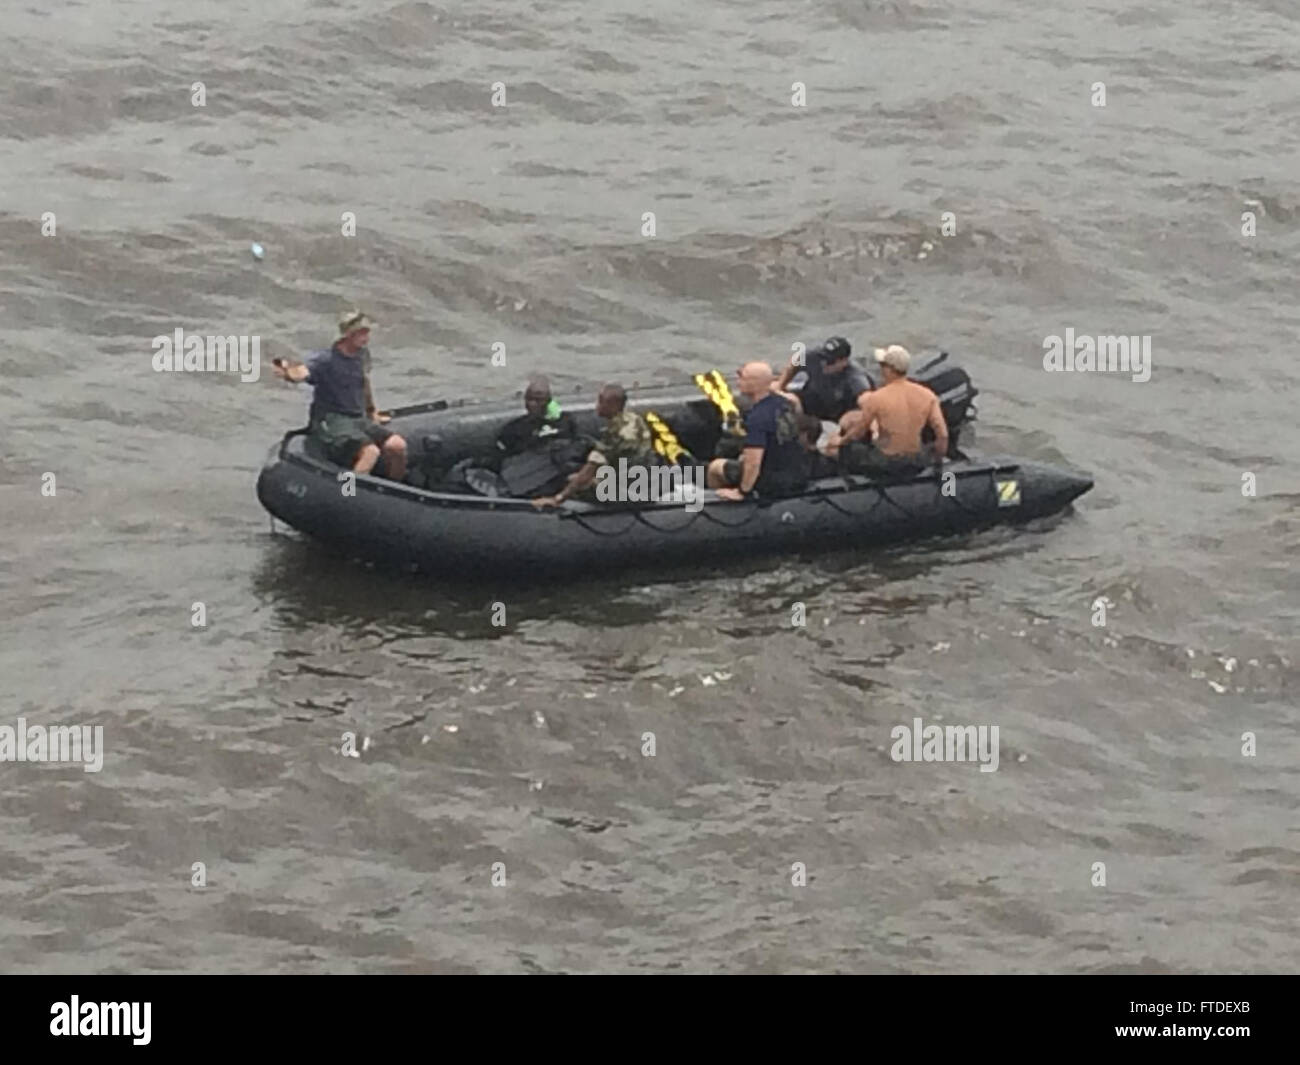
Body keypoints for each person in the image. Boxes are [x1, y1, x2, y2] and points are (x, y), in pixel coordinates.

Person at [271, 311, 407, 481]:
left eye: (366, 332)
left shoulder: (362, 356)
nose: (365, 337)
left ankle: (394, 489)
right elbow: (302, 372)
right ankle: (347, 492)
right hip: (332, 419)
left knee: (397, 446)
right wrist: (287, 372)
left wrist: (372, 412)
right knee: (370, 452)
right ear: (348, 335)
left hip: (357, 418)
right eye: (360, 333)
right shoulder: (325, 360)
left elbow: (364, 383)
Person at [831, 345, 947, 478]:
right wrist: (938, 462)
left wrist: (841, 441)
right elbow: (942, 435)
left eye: (882, 366)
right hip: (916, 461)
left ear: (888, 370)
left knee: (850, 449)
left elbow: (858, 433)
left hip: (885, 463)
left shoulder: (876, 398)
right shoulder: (928, 395)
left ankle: (846, 484)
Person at [533, 383, 654, 507]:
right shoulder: (634, 419)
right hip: (642, 482)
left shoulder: (617, 433)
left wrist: (558, 498)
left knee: (575, 481)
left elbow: (591, 468)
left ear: (614, 405)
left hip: (630, 491)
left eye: (601, 402)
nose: (597, 406)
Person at [706, 362, 810, 501]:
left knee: (716, 467)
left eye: (742, 378)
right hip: (797, 473)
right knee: (743, 457)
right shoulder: (784, 403)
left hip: (772, 481)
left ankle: (718, 505)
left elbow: (753, 463)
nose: (738, 382)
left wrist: (742, 492)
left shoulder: (758, 417)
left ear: (754, 383)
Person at [773, 336, 872, 423]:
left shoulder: (855, 376)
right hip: (813, 398)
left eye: (830, 361)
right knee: (775, 391)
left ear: (844, 361)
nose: (824, 364)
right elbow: (794, 363)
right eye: (823, 358)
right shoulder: (814, 356)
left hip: (840, 411)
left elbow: (866, 400)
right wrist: (781, 386)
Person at [495, 375, 578, 457]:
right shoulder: (514, 428)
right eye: (529, 399)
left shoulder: (566, 421)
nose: (533, 404)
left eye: (538, 400)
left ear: (548, 401)